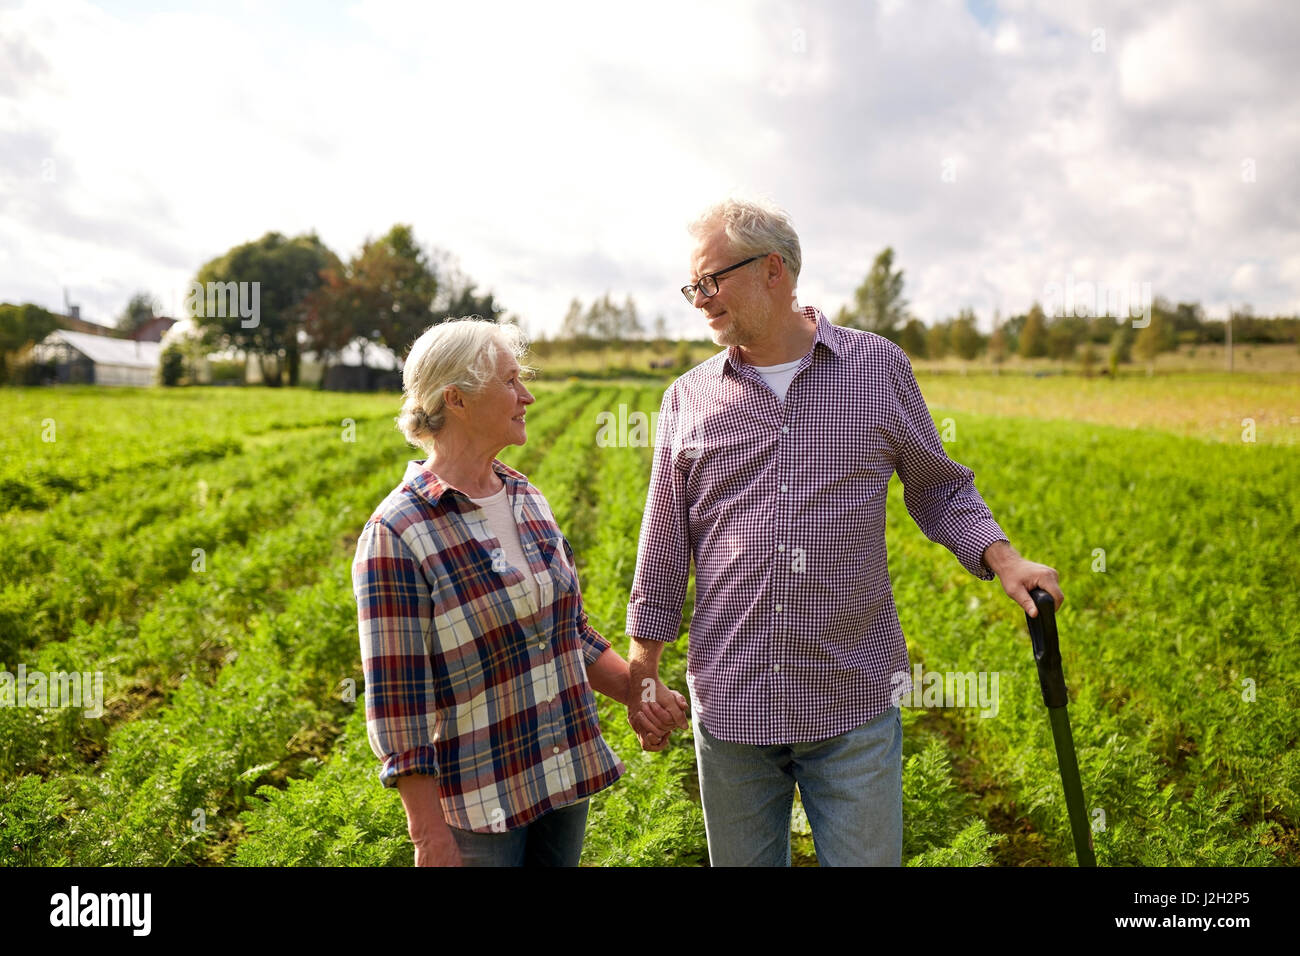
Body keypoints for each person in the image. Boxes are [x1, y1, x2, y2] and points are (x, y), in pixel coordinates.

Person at [624, 199, 1065, 866]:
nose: (700, 300)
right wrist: (644, 672)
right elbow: (663, 545)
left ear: (773, 269)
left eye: (711, 280)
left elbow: (938, 487)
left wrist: (1004, 561)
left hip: (850, 701)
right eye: (694, 286)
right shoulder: (688, 397)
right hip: (733, 706)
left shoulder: (876, 368)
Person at [353, 317, 685, 867]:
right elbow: (397, 703)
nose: (527, 395)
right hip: (481, 808)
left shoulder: (524, 497)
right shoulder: (398, 534)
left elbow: (566, 634)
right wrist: (428, 838)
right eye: (510, 381)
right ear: (456, 399)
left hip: (561, 776)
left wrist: (638, 692)